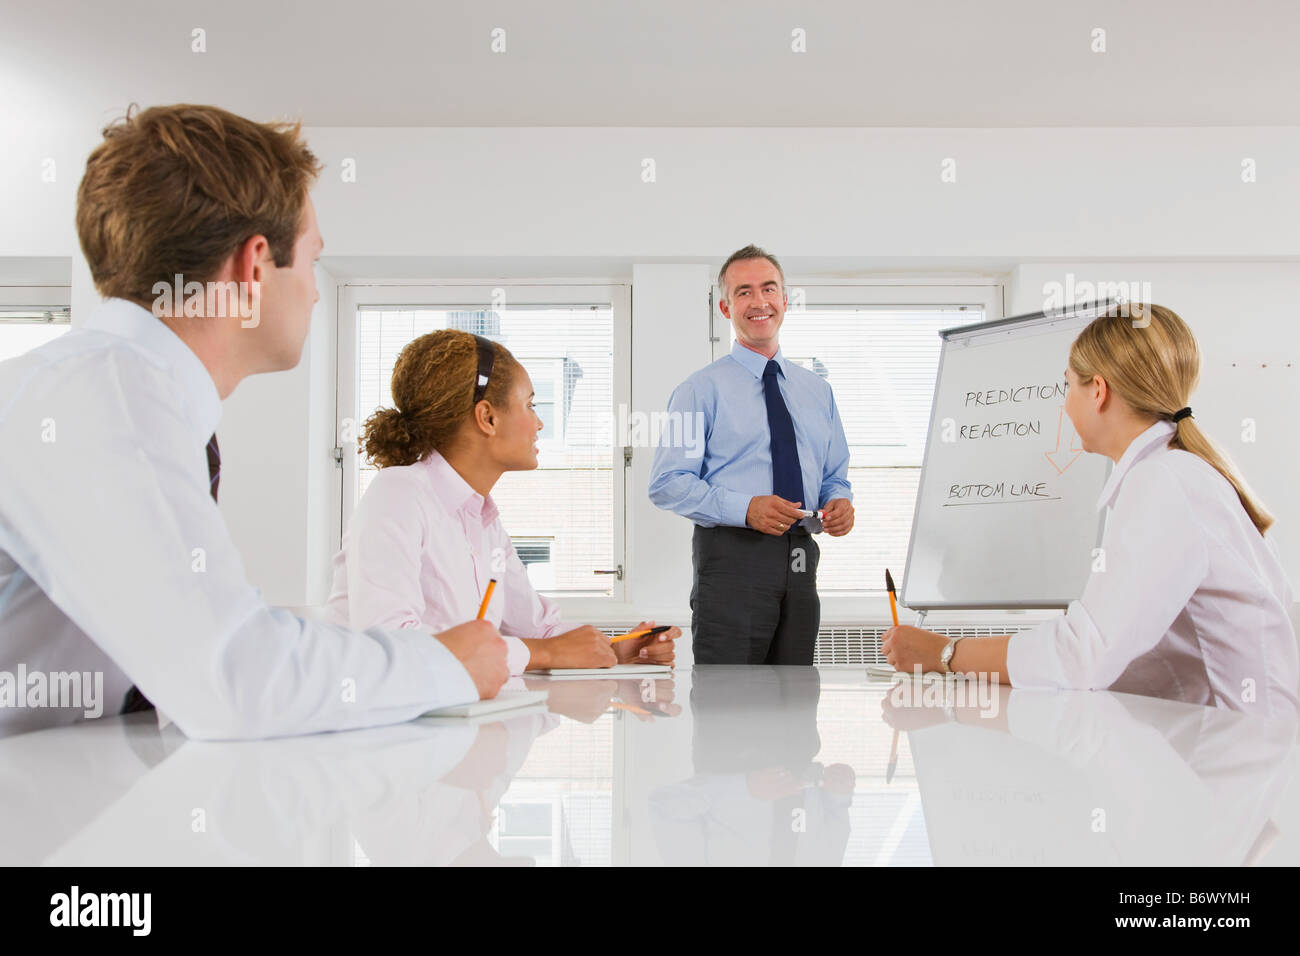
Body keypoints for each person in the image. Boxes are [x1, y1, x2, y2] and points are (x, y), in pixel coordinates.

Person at [0, 104, 508, 741]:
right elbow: (233, 676)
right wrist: (445, 663)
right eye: (313, 261)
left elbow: (200, 646)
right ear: (254, 264)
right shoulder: (108, 398)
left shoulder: (126, 392)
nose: (318, 292)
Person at [883, 303, 1300, 722]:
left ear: (1098, 391)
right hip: (1231, 742)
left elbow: (1084, 654)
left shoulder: (1164, 483)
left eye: (1068, 387)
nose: (1064, 407)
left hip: (1246, 757)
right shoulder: (1176, 472)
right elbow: (1133, 655)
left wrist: (944, 653)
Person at [326, 329, 680, 673]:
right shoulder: (399, 494)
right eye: (530, 404)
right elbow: (390, 646)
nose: (539, 423)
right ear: (488, 417)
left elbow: (537, 628)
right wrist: (543, 653)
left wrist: (615, 648)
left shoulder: (481, 519)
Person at [649, 245, 854, 665]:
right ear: (726, 307)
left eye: (769, 289)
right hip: (731, 561)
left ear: (784, 299)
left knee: (795, 706)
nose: (759, 302)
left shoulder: (818, 391)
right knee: (729, 709)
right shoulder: (698, 390)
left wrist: (841, 501)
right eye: (744, 292)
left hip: (801, 559)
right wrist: (746, 509)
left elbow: (834, 473)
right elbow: (668, 484)